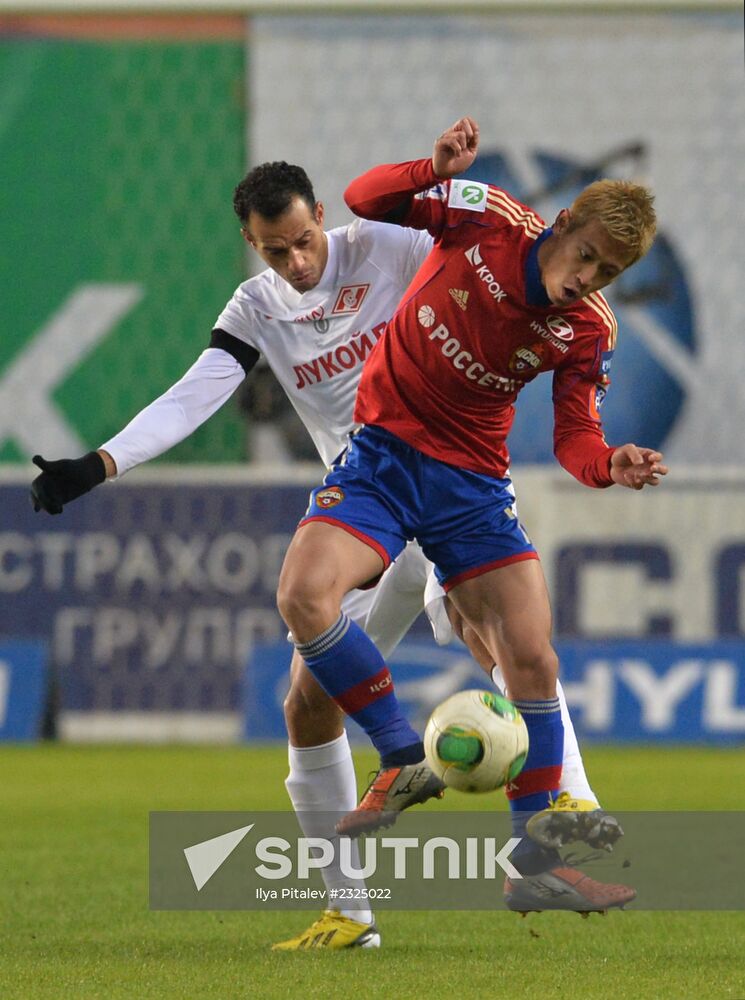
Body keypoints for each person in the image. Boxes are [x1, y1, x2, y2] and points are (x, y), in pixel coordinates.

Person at [30, 155, 628, 947]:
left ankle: (564, 814)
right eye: (275, 251)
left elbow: (493, 280)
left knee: (503, 640)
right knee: (305, 703)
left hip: (452, 479)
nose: (298, 263)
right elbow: (192, 395)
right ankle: (351, 910)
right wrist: (100, 462)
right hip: (366, 495)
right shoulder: (254, 309)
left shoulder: (392, 248)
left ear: (320, 215)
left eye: (305, 240)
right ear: (250, 243)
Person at [275, 116, 665, 916]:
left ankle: (531, 867)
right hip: (381, 458)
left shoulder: (587, 331)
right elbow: (362, 198)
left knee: (533, 659)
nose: (589, 276)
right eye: (586, 253)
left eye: (609, 270)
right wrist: (431, 166)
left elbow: (574, 439)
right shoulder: (486, 214)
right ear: (560, 226)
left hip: (472, 490)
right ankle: (401, 753)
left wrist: (609, 464)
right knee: (303, 597)